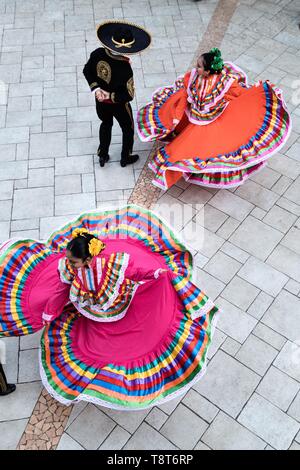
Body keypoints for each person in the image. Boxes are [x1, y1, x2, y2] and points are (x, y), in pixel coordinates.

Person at [0, 205, 219, 410]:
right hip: (93, 308)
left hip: (116, 304)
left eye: (73, 261)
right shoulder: (70, 268)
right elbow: (60, 290)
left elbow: (135, 270)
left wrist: (155, 274)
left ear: (87, 260)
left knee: (126, 340)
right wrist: (49, 312)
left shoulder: (112, 262)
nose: (68, 263)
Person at [137, 48, 292, 190]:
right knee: (189, 142)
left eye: (199, 66)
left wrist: (253, 94)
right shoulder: (193, 77)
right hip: (195, 116)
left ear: (208, 70)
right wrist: (177, 111)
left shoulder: (224, 83)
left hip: (210, 120)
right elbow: (185, 90)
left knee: (199, 147)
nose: (195, 68)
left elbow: (238, 93)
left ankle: (178, 167)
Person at [83, 21, 151, 168]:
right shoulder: (125, 69)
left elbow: (87, 70)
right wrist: (110, 96)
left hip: (100, 102)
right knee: (128, 128)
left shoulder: (97, 54)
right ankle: (125, 157)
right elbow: (129, 95)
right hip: (119, 105)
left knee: (106, 124)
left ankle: (102, 154)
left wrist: (96, 89)